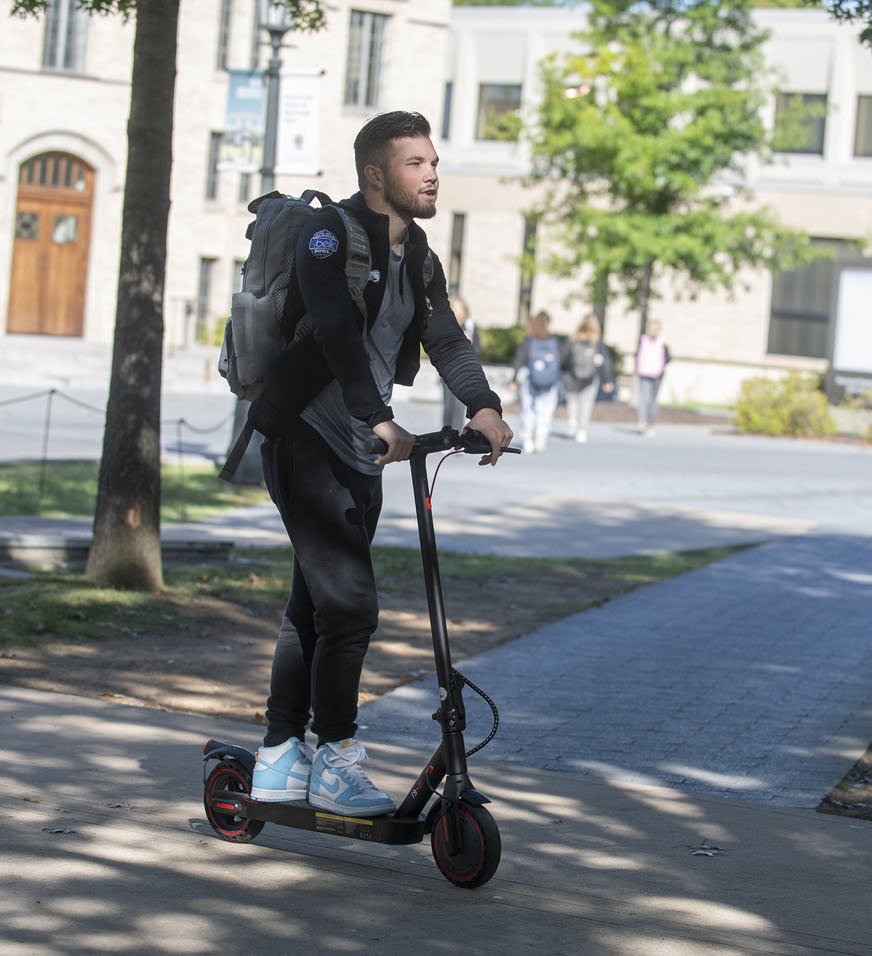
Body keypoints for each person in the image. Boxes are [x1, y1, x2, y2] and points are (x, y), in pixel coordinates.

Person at [247, 111, 513, 817]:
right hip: (307, 437)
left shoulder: (419, 252)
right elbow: (333, 328)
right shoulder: (328, 234)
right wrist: (377, 416)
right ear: (375, 175)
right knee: (351, 606)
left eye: (433, 162)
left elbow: (444, 335)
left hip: (365, 447)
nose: (431, 174)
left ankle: (277, 757)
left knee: (316, 605)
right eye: (415, 163)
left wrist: (481, 405)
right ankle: (333, 757)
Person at [510, 310, 561, 452]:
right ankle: (541, 432)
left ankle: (527, 438)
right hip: (550, 380)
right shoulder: (554, 341)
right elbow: (560, 360)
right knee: (546, 408)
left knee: (528, 408)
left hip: (529, 377)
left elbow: (519, 359)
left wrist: (513, 379)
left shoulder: (529, 340)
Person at [562, 313, 615, 442]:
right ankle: (582, 430)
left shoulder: (572, 339)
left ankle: (572, 421)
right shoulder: (597, 342)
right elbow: (605, 362)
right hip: (591, 377)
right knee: (586, 403)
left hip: (572, 375)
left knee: (572, 400)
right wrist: (608, 380)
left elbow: (563, 357)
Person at [440, 296, 482, 430]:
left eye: (459, 308)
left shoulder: (470, 326)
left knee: (460, 404)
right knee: (449, 404)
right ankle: (447, 432)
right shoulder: (445, 324)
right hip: (448, 369)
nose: (457, 311)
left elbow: (478, 347)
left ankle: (457, 435)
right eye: (454, 307)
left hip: (465, 370)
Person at [634, 320, 670, 435]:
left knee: (644, 398)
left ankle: (641, 421)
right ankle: (651, 425)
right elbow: (668, 358)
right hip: (657, 373)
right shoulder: (662, 342)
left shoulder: (642, 340)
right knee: (653, 399)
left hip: (644, 372)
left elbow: (636, 355)